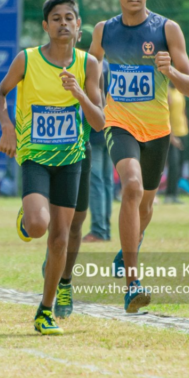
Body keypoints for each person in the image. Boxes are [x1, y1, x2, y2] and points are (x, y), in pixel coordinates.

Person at [89, 0, 189, 313]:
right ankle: (132, 284)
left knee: (146, 205)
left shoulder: (167, 29)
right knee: (132, 187)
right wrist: (92, 100)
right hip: (119, 124)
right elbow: (90, 69)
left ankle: (127, 250)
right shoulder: (104, 31)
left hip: (158, 130)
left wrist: (171, 71)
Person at [0, 0, 104, 334]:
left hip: (71, 158)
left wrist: (79, 94)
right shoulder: (26, 59)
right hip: (35, 156)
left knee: (60, 237)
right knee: (39, 226)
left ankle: (45, 310)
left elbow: (99, 122)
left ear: (78, 24)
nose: (63, 23)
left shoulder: (88, 64)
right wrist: (7, 127)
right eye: (56, 18)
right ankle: (29, 214)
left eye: (69, 17)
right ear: (45, 25)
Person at [83, 58, 113, 243]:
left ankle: (98, 230)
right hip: (112, 130)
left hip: (94, 132)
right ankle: (105, 229)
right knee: (107, 182)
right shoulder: (110, 64)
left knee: (96, 182)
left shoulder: (87, 64)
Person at [164, 83, 188, 204]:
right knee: (173, 164)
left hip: (183, 133)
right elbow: (165, 115)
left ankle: (175, 193)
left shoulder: (180, 91)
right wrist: (171, 135)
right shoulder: (166, 91)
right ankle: (169, 194)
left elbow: (183, 111)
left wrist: (186, 126)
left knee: (179, 165)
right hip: (172, 135)